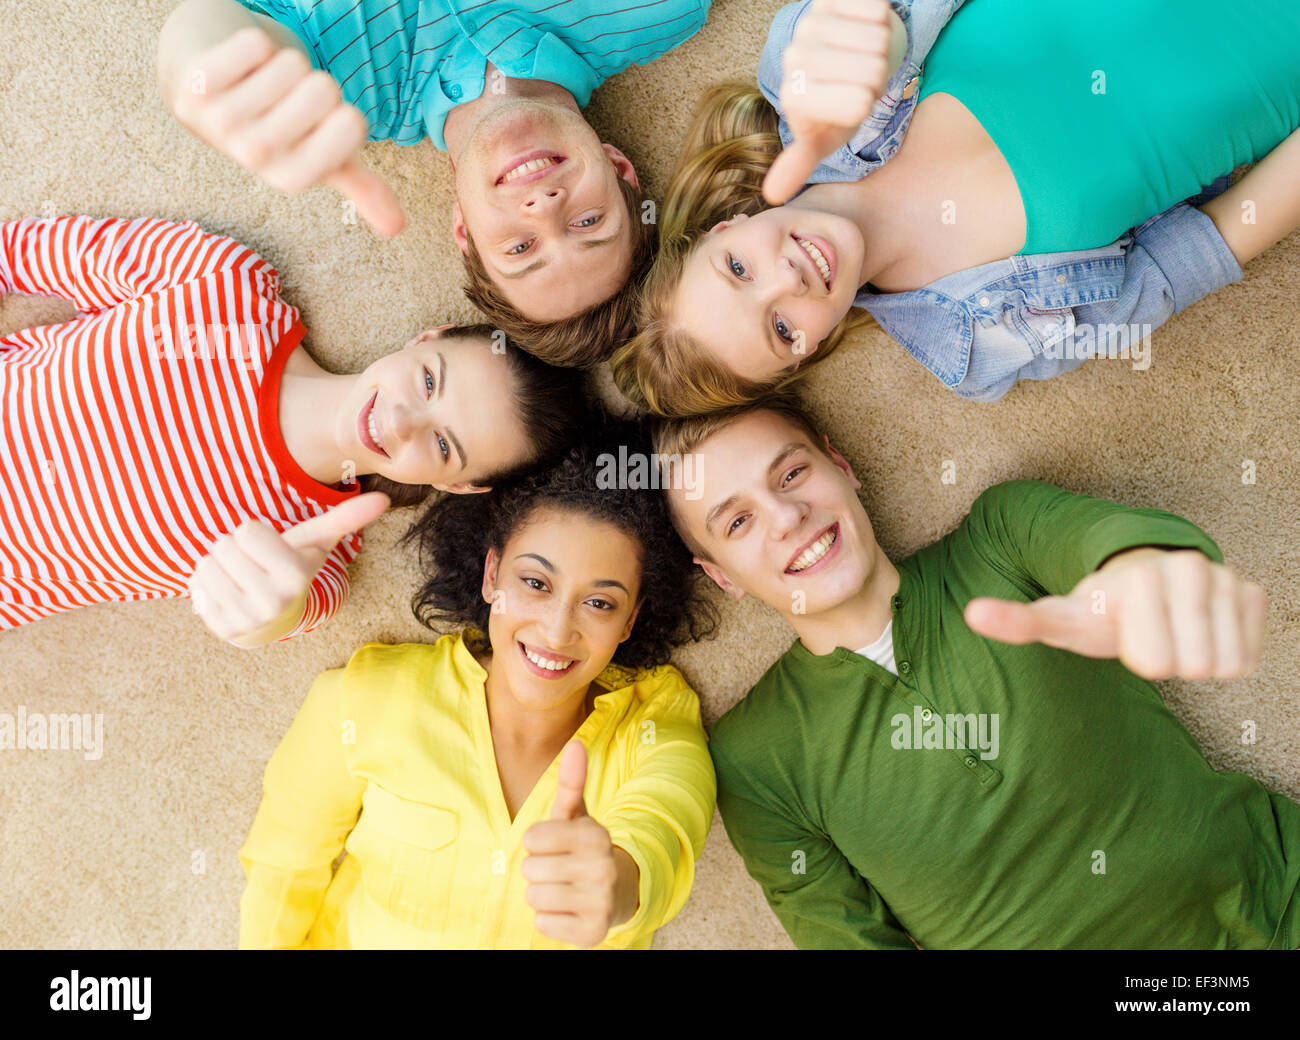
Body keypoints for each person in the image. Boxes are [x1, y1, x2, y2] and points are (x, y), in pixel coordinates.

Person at [654, 393, 1300, 948]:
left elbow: (1117, 543)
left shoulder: (1000, 538)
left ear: (842, 466)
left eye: (791, 474)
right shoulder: (753, 760)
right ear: (720, 576)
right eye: (737, 521)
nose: (787, 517)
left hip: (1278, 899)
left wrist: (1146, 572)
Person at [612, 0, 1300, 415]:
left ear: (726, 226)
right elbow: (1211, 247)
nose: (786, 281)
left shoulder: (802, 75)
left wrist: (871, 45)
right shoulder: (979, 344)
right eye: (782, 331)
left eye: (737, 267)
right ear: (809, 352)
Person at [237, 417, 719, 948]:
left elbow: (664, 833)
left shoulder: (657, 729)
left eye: (600, 603)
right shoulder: (363, 698)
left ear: (631, 620)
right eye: (534, 583)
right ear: (492, 575)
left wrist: (620, 882)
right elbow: (283, 867)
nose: (557, 631)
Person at [0, 215, 582, 646]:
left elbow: (268, 614)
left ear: (456, 486)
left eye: (443, 444)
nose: (401, 420)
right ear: (427, 339)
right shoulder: (224, 283)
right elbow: (20, 254)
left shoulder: (311, 560)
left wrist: (259, 616)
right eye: (430, 383)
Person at [157, 0, 714, 365]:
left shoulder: (339, 93)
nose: (544, 207)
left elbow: (217, 25)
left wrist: (202, 79)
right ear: (619, 169)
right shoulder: (662, 10)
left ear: (464, 229)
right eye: (588, 222)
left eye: (522, 248)